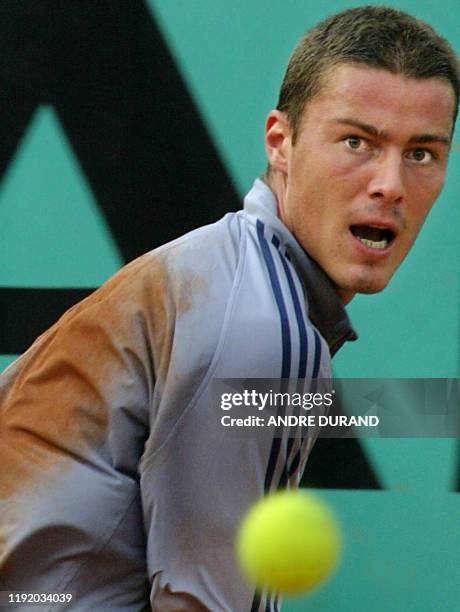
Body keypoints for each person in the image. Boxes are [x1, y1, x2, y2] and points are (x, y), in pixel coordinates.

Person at [0, 5, 458, 611]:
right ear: (281, 143)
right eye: (357, 142)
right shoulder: (264, 330)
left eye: (422, 153)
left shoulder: (226, 278)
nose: (391, 184)